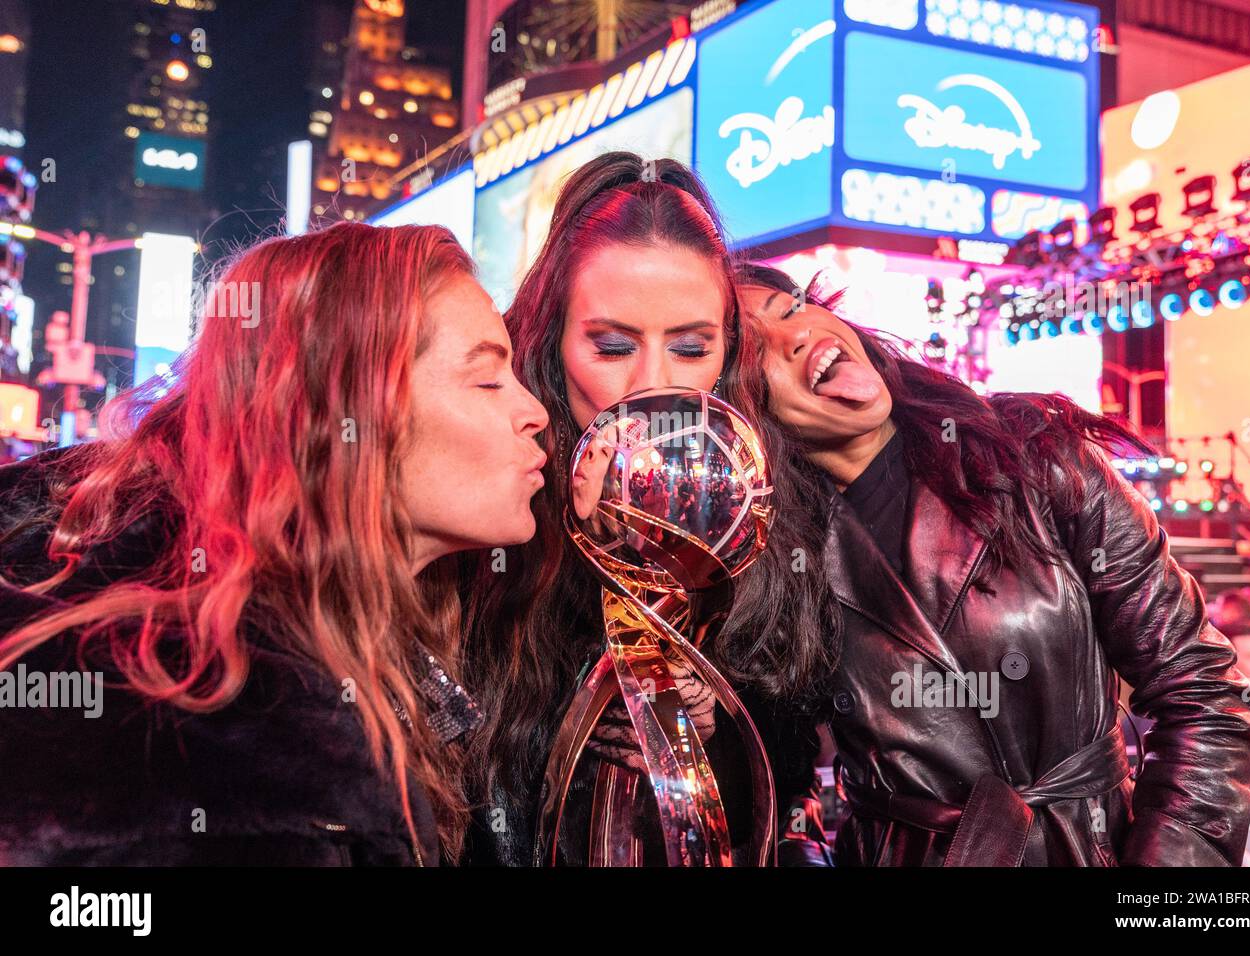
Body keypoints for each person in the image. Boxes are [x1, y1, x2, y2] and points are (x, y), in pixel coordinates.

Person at [0, 223, 549, 865]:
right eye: (486, 380)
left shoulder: (332, 630)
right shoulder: (267, 777)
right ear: (342, 416)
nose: (533, 410)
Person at [736, 262, 1250, 866]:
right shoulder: (775, 563)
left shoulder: (1031, 453)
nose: (797, 334)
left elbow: (1206, 691)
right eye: (759, 355)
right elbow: (778, 787)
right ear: (750, 416)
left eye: (793, 308)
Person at [459, 153, 833, 865]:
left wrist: (716, 706)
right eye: (612, 345)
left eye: (691, 348)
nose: (651, 385)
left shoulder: (777, 494)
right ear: (551, 342)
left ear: (727, 354)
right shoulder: (493, 495)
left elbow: (795, 754)